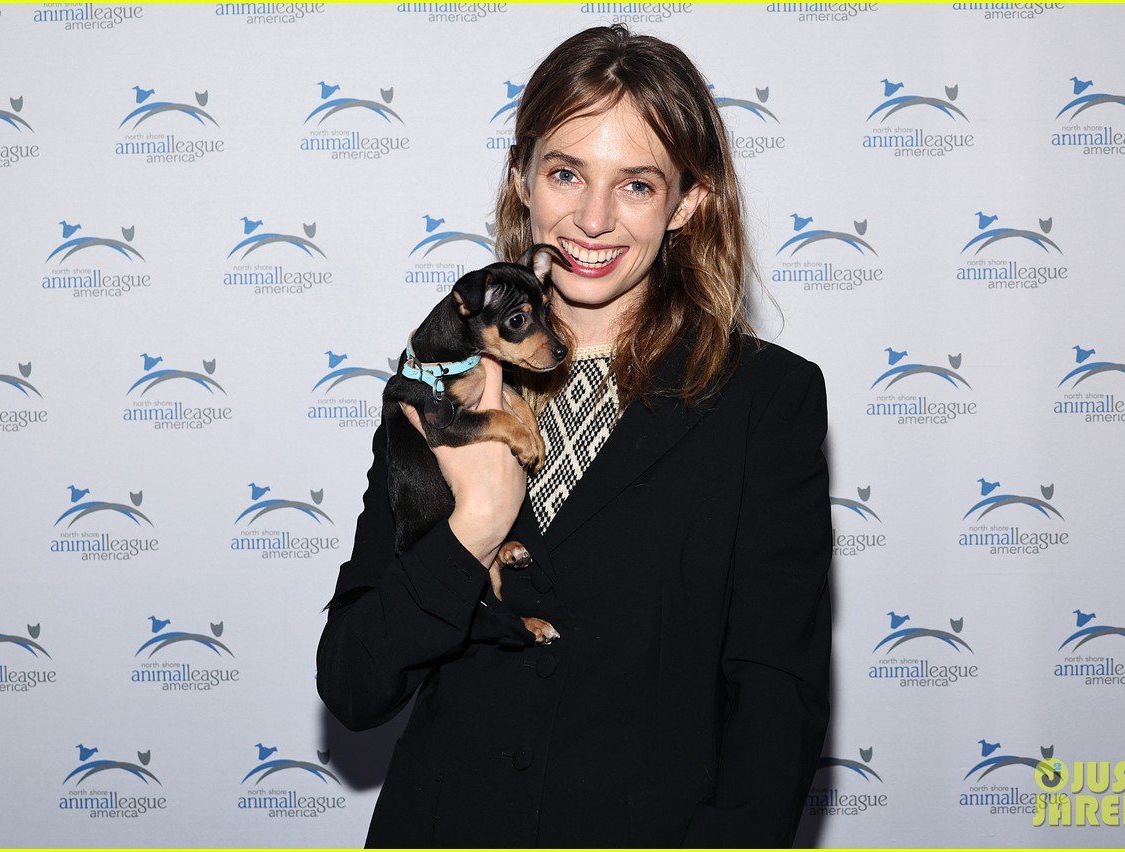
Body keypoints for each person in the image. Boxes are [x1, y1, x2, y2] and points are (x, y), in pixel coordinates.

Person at [317, 24, 831, 848]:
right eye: (566, 173)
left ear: (687, 202)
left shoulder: (767, 400)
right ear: (522, 177)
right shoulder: (437, 386)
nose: (592, 220)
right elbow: (353, 682)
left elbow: (775, 700)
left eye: (636, 185)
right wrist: (473, 527)